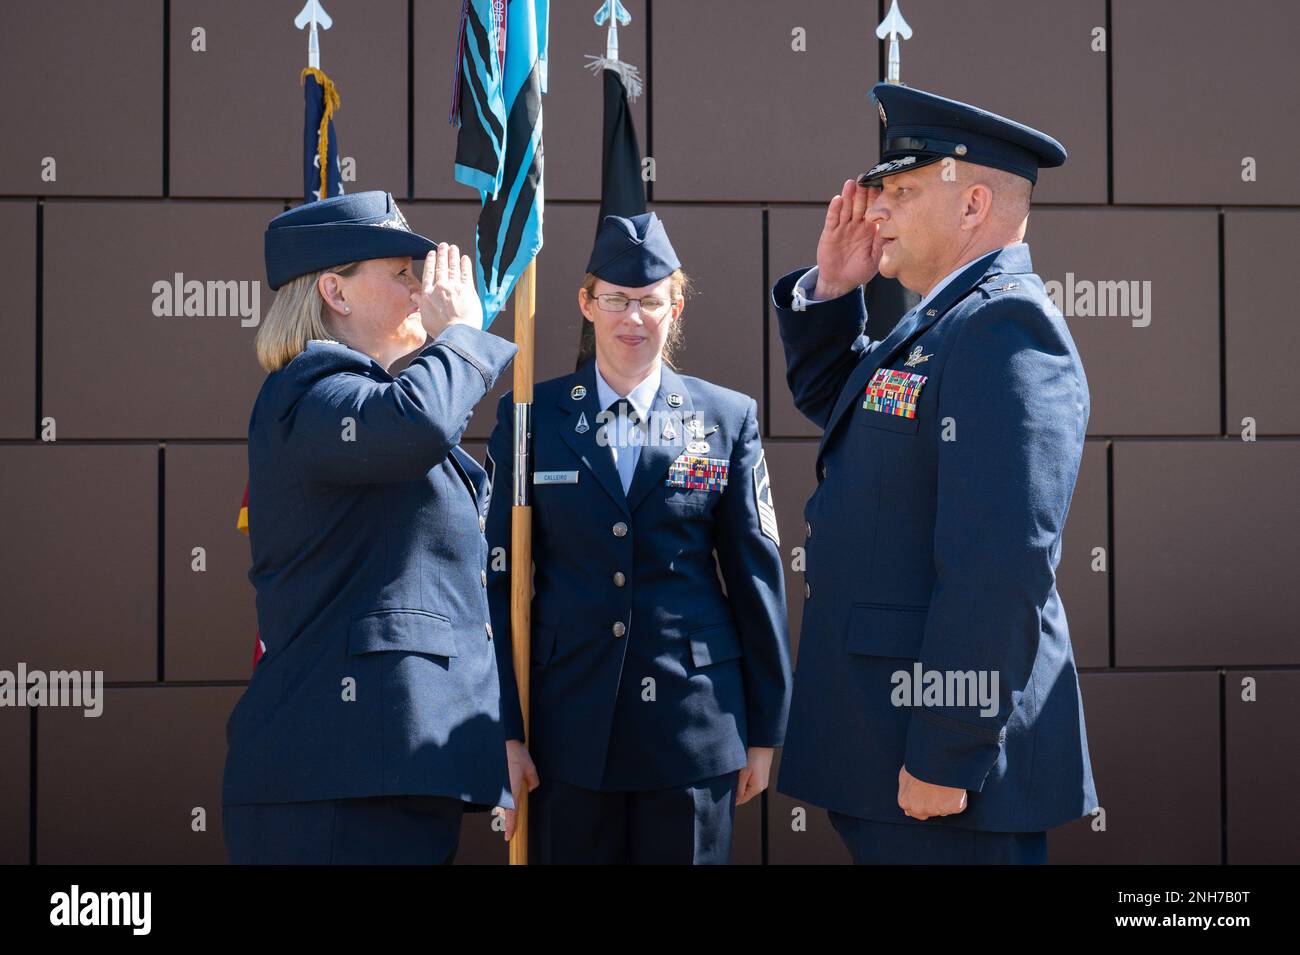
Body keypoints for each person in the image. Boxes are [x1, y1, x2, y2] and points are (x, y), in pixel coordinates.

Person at [769, 84, 1097, 865]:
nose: (877, 209)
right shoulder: (940, 321)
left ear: (973, 204)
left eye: (903, 190)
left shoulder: (1005, 330)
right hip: (884, 742)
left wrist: (948, 748)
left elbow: (999, 567)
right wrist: (834, 295)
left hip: (945, 769)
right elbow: (851, 414)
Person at [486, 212, 793, 864]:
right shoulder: (530, 417)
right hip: (564, 732)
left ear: (674, 306)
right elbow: (498, 581)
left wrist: (765, 730)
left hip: (691, 729)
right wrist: (506, 732)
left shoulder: (725, 418)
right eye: (616, 299)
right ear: (586, 303)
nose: (633, 317)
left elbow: (755, 577)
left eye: (650, 301)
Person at [222, 190, 518, 864]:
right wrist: (463, 339)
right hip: (334, 778)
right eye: (402, 273)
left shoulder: (375, 401)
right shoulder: (310, 388)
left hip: (396, 769)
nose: (422, 291)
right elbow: (412, 426)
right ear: (336, 291)